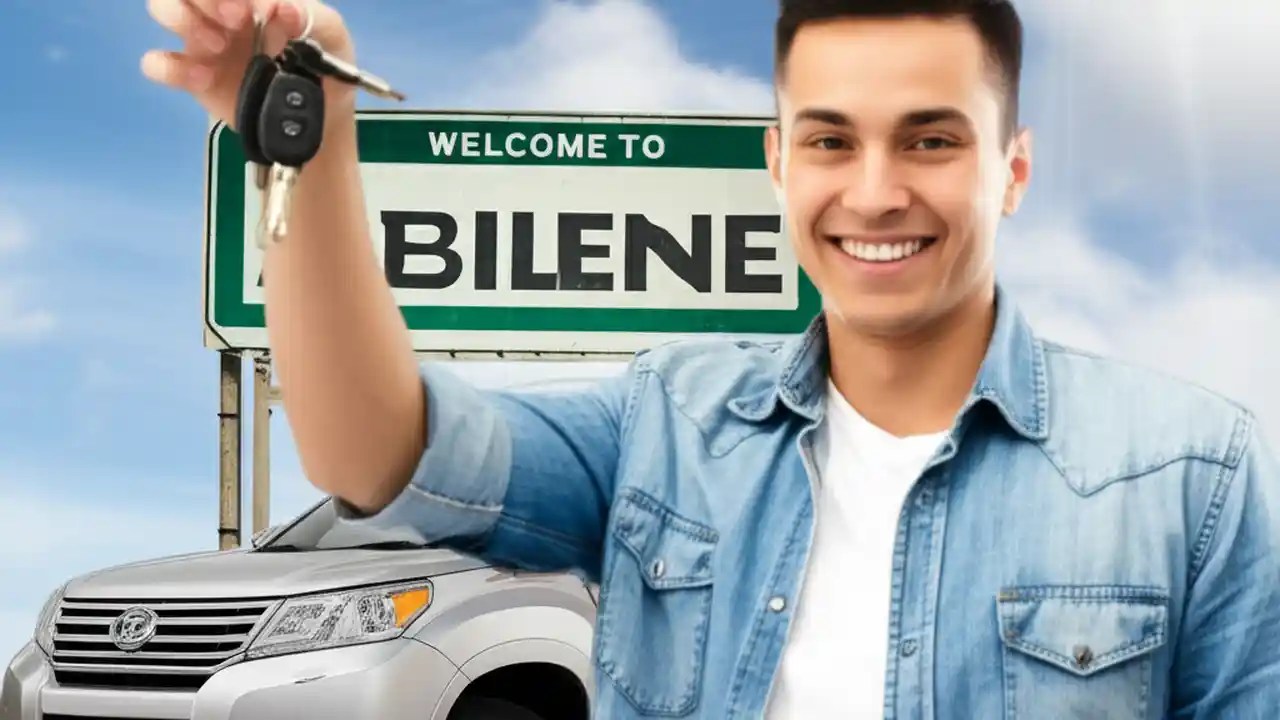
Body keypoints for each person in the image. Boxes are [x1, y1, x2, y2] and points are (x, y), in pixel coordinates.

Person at [144, 0, 1280, 717]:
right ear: (780, 165)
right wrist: (311, 142)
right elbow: (373, 453)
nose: (874, 190)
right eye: (832, 139)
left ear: (1012, 170)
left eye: (930, 140)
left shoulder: (1190, 467)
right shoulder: (663, 422)